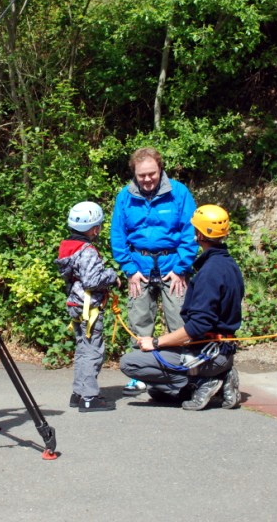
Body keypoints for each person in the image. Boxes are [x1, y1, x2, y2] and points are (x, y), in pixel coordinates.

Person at [120, 204, 244, 410]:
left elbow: (198, 327)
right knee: (157, 391)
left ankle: (204, 380)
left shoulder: (210, 272)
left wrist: (156, 342)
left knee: (130, 363)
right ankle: (216, 376)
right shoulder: (229, 264)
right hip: (222, 349)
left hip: (209, 352)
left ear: (199, 234)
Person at [110, 147, 198, 396]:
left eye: (152, 174)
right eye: (142, 175)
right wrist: (129, 269)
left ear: (160, 169)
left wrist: (181, 268)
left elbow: (190, 232)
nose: (147, 180)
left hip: (174, 267)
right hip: (140, 268)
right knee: (140, 321)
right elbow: (118, 236)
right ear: (134, 174)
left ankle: (182, 370)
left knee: (179, 319)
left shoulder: (179, 192)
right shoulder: (125, 196)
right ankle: (140, 373)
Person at [56, 202, 121, 412]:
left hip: (75, 304)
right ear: (94, 229)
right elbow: (92, 280)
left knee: (83, 349)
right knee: (93, 351)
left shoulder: (67, 247)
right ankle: (89, 397)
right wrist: (112, 276)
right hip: (88, 307)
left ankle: (78, 393)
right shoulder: (87, 251)